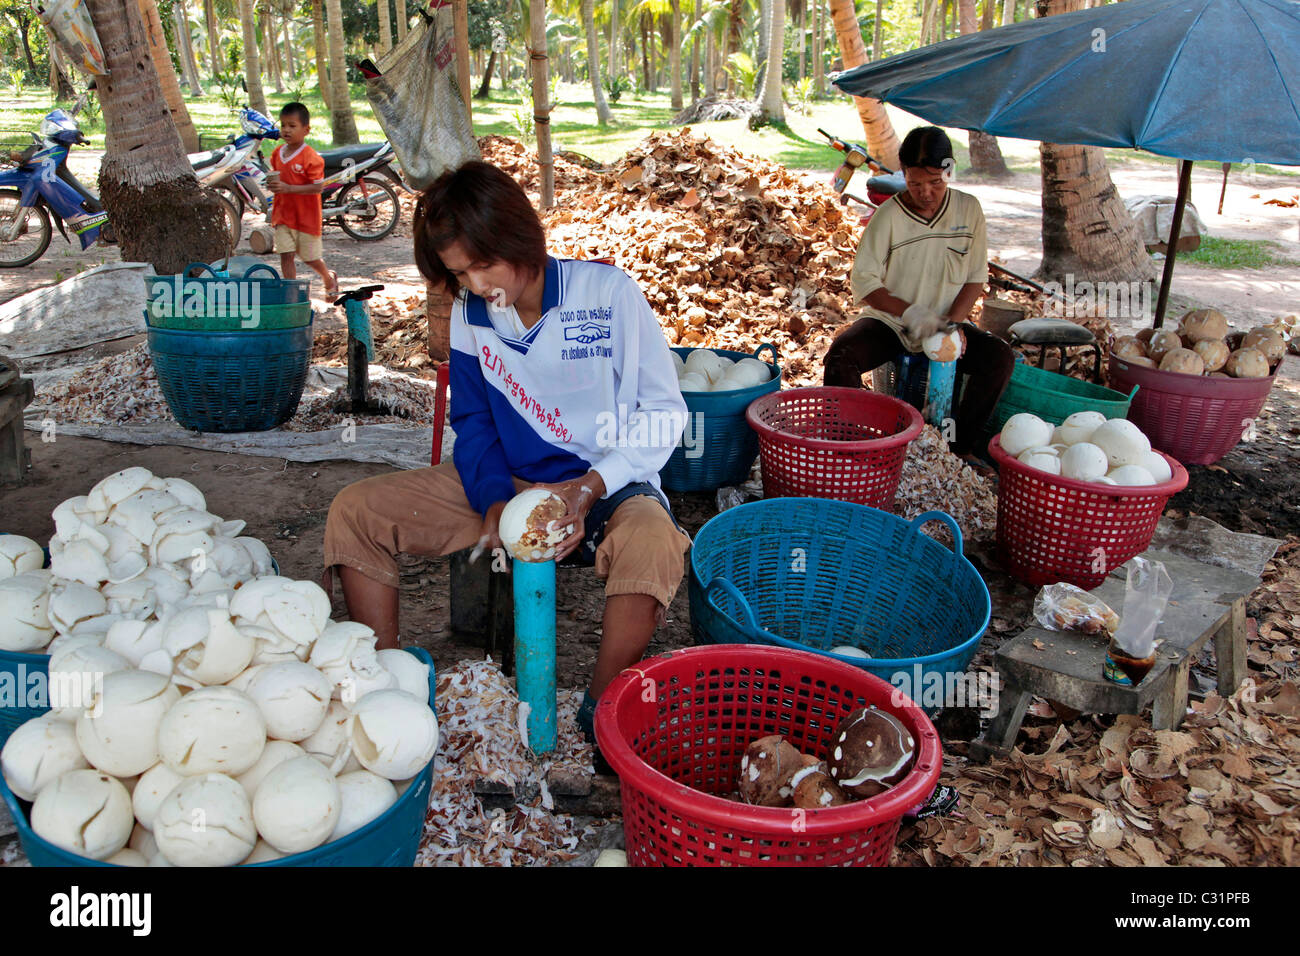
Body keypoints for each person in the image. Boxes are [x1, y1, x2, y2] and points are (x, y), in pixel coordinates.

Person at [323, 161, 692, 755]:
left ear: (519, 238)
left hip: (608, 486)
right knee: (357, 510)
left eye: (483, 264)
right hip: (508, 485)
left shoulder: (608, 295)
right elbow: (472, 421)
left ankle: (598, 718)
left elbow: (664, 412)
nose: (476, 285)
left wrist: (593, 486)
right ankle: (385, 692)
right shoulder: (472, 313)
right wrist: (495, 499)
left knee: (652, 547)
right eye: (459, 272)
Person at [823, 126, 1013, 459]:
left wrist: (950, 326)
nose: (925, 193)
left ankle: (959, 449)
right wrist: (910, 313)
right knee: (841, 355)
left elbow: (974, 278)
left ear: (949, 170)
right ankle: (851, 450)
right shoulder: (888, 217)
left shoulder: (969, 211)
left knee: (999, 358)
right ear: (903, 175)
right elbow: (865, 282)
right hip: (893, 323)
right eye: (914, 184)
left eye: (935, 183)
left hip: (946, 322)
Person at [266, 102, 337, 296]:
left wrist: (289, 188)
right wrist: (273, 185)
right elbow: (277, 177)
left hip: (306, 218)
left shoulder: (311, 158)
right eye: (283, 125)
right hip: (283, 215)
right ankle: (291, 293)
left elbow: (317, 187)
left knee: (309, 257)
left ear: (306, 130)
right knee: (285, 255)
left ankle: (327, 277)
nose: (286, 130)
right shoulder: (276, 154)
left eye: (292, 125)